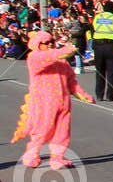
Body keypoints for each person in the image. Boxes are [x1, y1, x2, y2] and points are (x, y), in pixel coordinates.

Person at [12, 30, 93, 169]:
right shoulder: (34, 57)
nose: (50, 44)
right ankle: (31, 155)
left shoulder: (62, 61)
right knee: (42, 130)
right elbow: (48, 56)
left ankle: (57, 158)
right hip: (43, 102)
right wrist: (65, 50)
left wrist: (83, 94)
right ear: (38, 44)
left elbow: (71, 81)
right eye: (46, 42)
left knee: (62, 132)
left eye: (51, 42)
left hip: (63, 102)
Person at [88, 0, 113, 102]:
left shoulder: (97, 17)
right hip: (112, 47)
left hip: (98, 46)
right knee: (112, 71)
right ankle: (110, 95)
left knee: (100, 71)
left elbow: (92, 31)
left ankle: (99, 95)